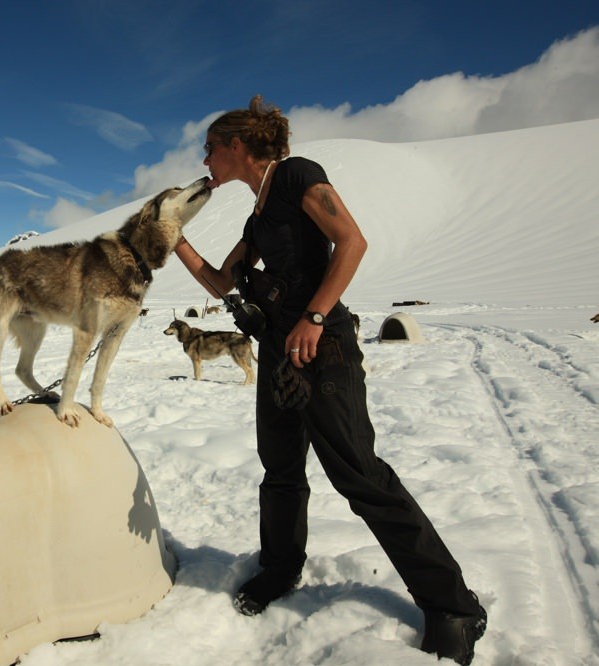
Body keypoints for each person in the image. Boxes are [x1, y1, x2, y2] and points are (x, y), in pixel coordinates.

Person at [173, 95, 487, 665]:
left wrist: (315, 317)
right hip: (276, 350)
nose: (206, 160)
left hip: (324, 348)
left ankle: (454, 606)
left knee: (359, 474)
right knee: (282, 468)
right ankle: (280, 567)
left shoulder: (297, 177)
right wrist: (172, 236)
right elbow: (222, 283)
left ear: (237, 145)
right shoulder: (256, 215)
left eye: (210, 149)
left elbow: (353, 241)